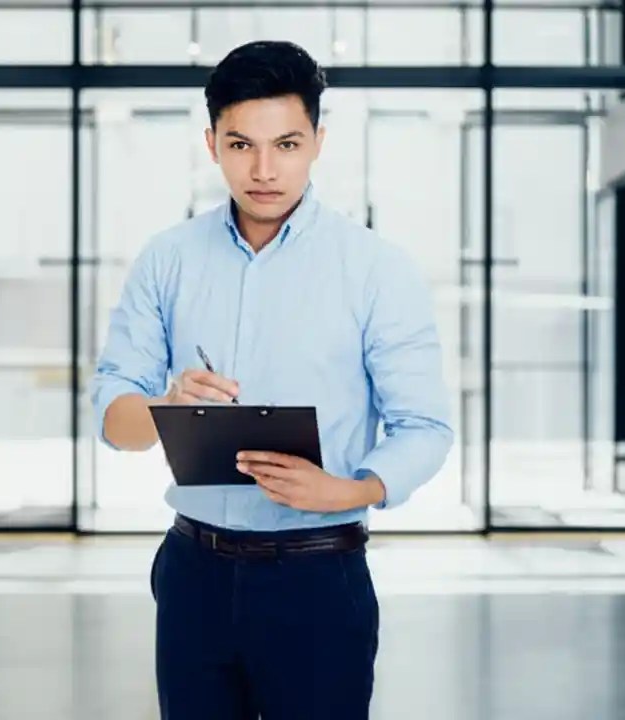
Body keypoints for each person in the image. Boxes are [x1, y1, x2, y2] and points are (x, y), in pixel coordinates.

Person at [91, 40, 453, 720]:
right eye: (240, 145)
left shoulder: (376, 269)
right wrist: (165, 406)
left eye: (286, 144)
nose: (262, 170)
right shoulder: (167, 259)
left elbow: (425, 427)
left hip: (318, 576)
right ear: (211, 144)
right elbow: (112, 413)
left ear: (318, 140)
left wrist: (350, 489)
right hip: (193, 572)